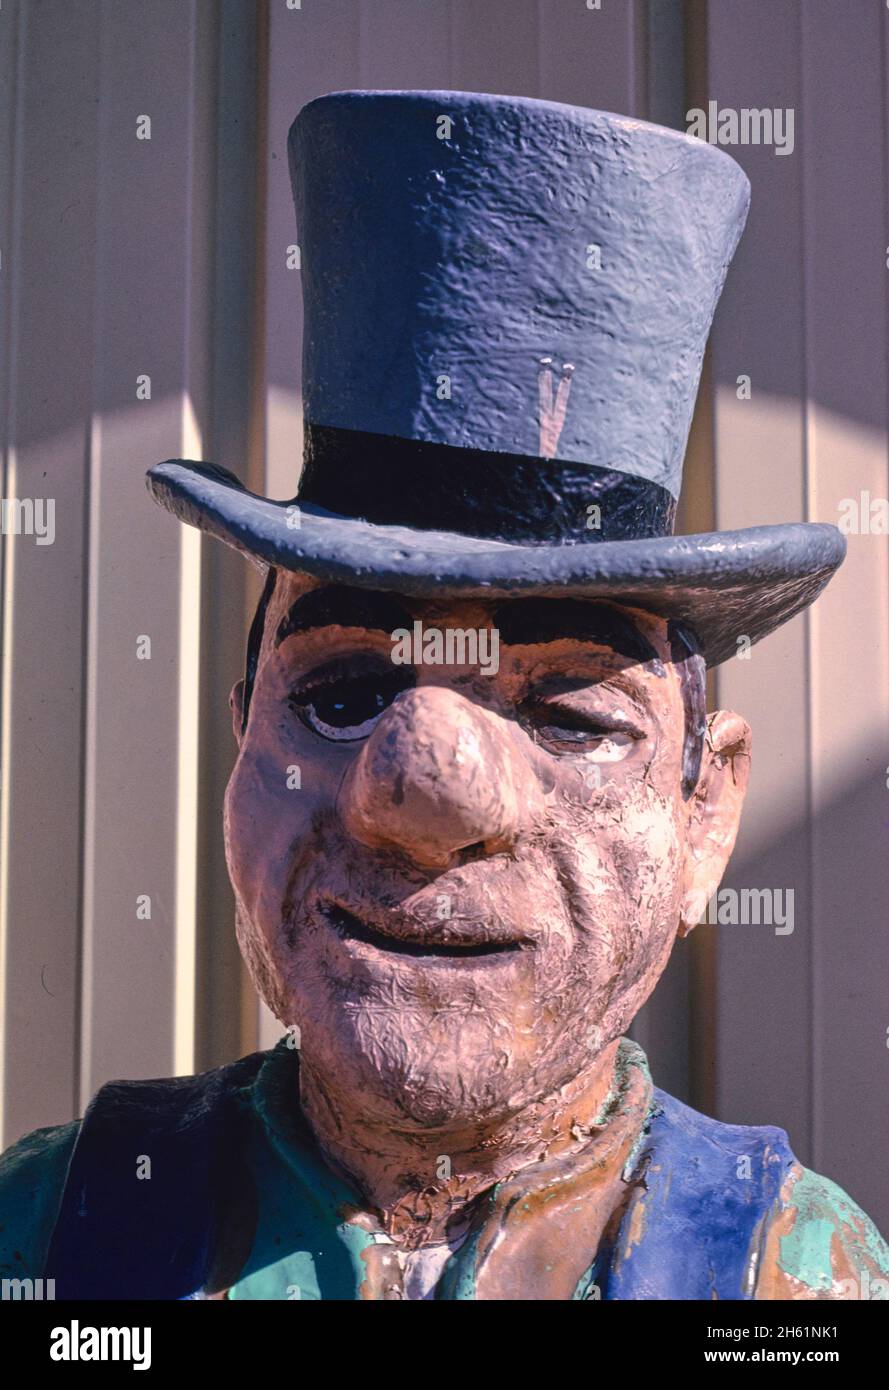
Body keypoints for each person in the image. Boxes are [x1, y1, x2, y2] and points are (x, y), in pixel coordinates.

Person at [1, 90, 885, 1301]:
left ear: (705, 815)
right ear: (239, 740)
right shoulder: (52, 1233)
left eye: (573, 716)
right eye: (343, 692)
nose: (422, 796)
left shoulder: (790, 1276)